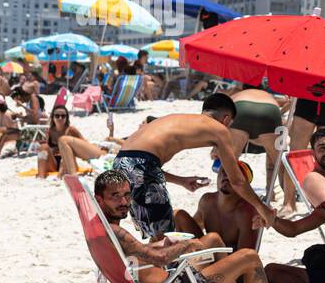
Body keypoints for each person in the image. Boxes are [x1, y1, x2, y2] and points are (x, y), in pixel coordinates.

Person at [91, 168, 303, 283]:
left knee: (211, 238)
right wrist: (186, 245)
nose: (124, 202)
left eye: (127, 195)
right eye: (115, 197)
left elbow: (139, 256)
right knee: (249, 256)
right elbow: (160, 259)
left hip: (158, 281)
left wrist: (163, 244)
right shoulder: (117, 233)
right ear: (100, 200)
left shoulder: (98, 227)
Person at [111, 93, 272, 240]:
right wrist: (262, 208)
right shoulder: (219, 129)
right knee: (164, 238)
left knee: (155, 233)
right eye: (229, 124)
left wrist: (181, 181)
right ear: (225, 119)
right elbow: (237, 181)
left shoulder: (180, 120)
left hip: (120, 162)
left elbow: (142, 164)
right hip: (141, 164)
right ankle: (162, 270)